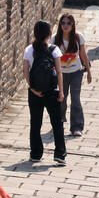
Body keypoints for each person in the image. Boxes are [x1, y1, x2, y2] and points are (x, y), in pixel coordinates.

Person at [23, 19, 67, 163]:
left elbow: (25, 71)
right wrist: (61, 92)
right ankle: (59, 154)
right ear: (49, 33)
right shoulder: (54, 49)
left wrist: (33, 88)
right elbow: (59, 72)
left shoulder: (29, 50)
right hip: (52, 92)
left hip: (35, 93)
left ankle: (35, 154)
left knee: (35, 123)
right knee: (57, 123)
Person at [54, 12, 92, 136]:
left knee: (75, 99)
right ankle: (59, 120)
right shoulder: (55, 39)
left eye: (68, 23)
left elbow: (83, 54)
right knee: (61, 99)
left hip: (76, 72)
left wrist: (89, 72)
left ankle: (76, 127)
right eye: (63, 23)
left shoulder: (78, 37)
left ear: (73, 25)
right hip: (61, 74)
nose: (66, 25)